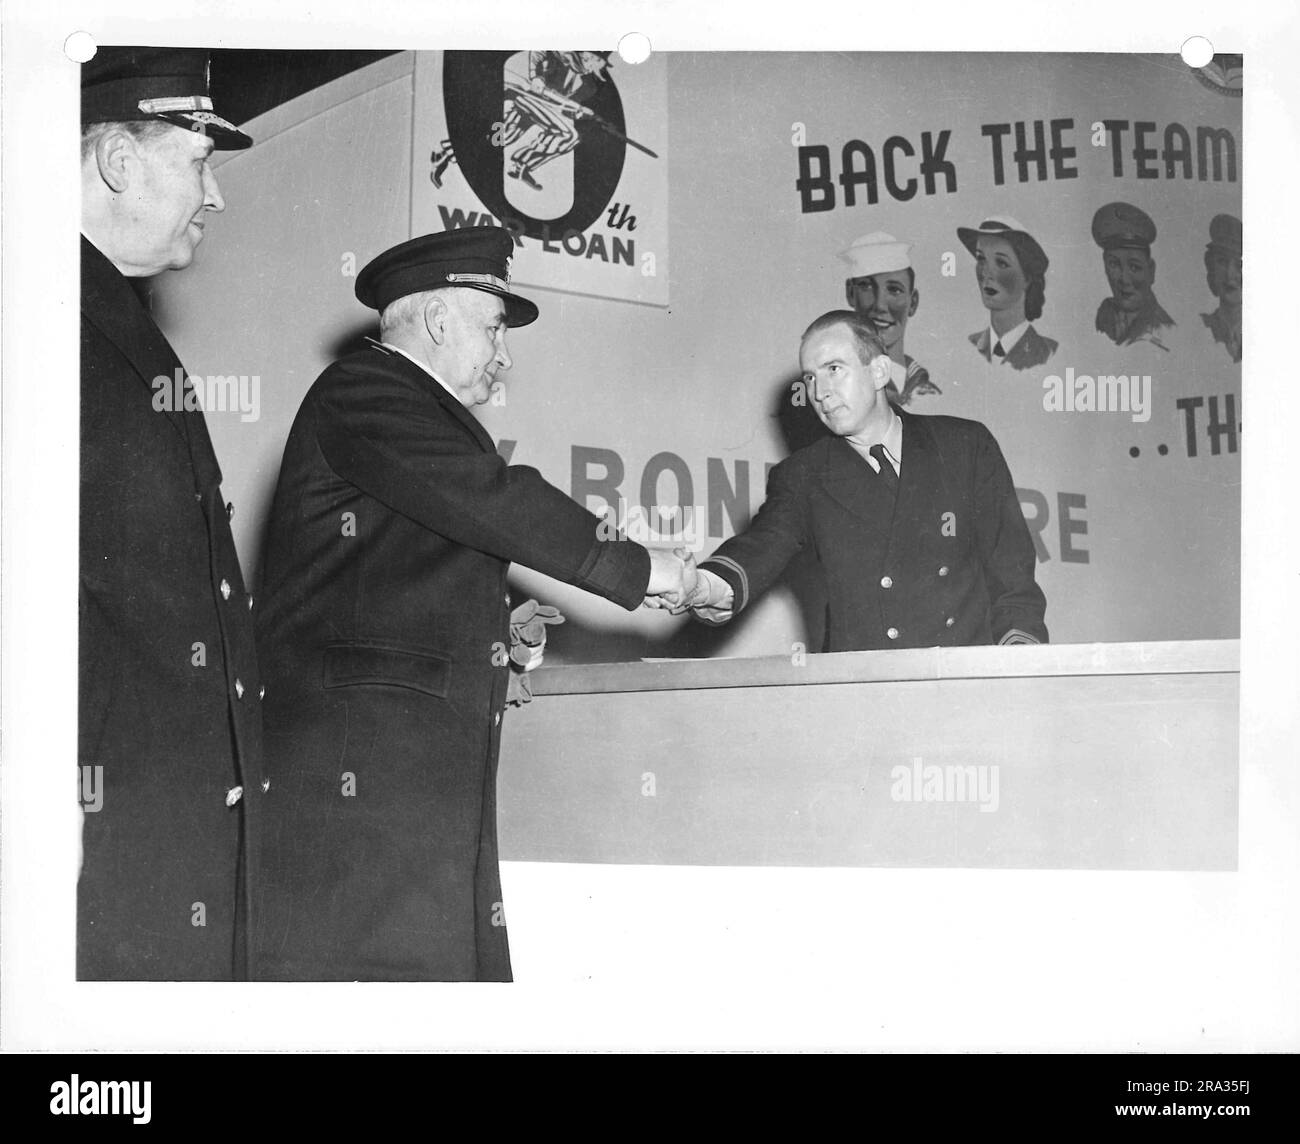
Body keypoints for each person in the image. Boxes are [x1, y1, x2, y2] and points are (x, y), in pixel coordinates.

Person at [254, 226, 686, 981]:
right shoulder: (366, 389)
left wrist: (493, 626)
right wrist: (647, 569)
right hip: (363, 765)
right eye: (493, 328)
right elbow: (495, 499)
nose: (504, 354)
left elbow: (394, 560)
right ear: (439, 321)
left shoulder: (404, 410)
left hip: (399, 761)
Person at [79, 48, 264, 979]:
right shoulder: (42, 309)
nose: (215, 196)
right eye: (198, 161)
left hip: (158, 810)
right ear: (118, 160)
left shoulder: (113, 316)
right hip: (95, 817)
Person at [663, 311, 1047, 650]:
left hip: (964, 688)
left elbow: (1011, 572)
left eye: (834, 369)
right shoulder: (804, 476)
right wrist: (701, 586)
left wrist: (1019, 659)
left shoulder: (965, 446)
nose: (820, 393)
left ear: (879, 371)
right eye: (810, 378)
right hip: (866, 696)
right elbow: (761, 547)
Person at [839, 231, 940, 406]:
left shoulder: (930, 395)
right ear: (850, 293)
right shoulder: (838, 388)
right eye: (867, 287)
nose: (880, 305)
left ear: (913, 302)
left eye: (894, 290)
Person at [959, 216, 1057, 371]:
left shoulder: (1049, 353)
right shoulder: (966, 347)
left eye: (1001, 263)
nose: (986, 273)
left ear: (1027, 277)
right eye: (981, 259)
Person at [1091, 202, 1175, 351]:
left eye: (1134, 267)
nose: (1124, 279)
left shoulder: (1164, 336)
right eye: (1114, 265)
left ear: (1151, 271)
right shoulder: (1105, 316)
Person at [1200, 213, 1242, 363]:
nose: (1230, 274)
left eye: (1240, 265)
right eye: (1222, 262)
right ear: (1211, 268)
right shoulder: (1198, 329)